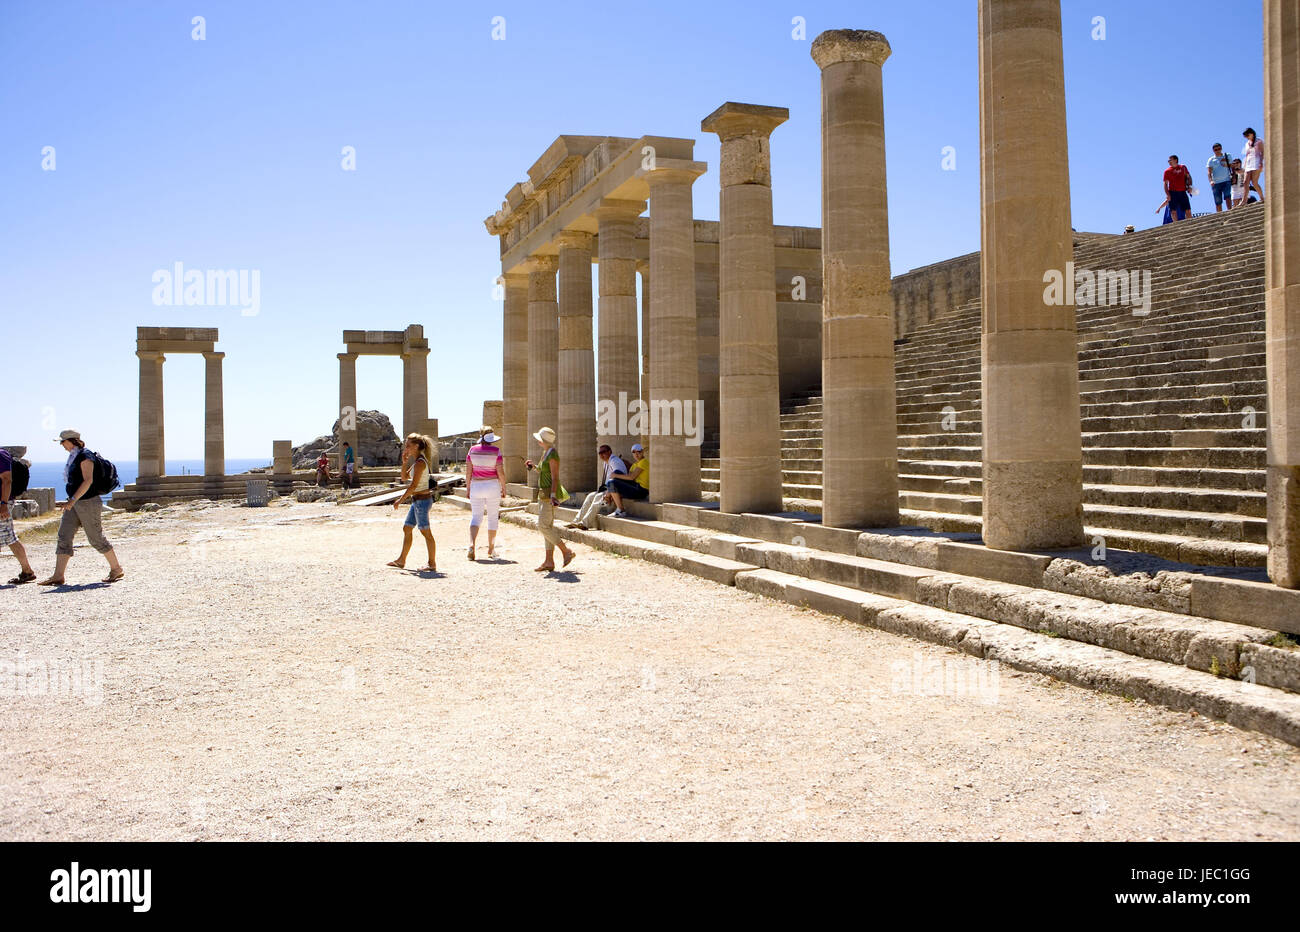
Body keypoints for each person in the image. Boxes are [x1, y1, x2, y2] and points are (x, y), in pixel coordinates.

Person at [39, 430, 124, 586]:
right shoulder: (74, 456)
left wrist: (72, 500)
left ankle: (116, 568)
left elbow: (88, 481)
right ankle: (58, 575)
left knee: (96, 538)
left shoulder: (85, 456)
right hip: (75, 502)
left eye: (62, 442)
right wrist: (71, 501)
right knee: (64, 535)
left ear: (71, 441)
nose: (61, 445)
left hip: (88, 502)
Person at [524, 426, 575, 572]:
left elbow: (554, 477)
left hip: (549, 495)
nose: (538, 442)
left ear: (544, 440)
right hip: (543, 494)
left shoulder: (552, 455)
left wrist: (553, 495)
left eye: (540, 439)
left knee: (543, 526)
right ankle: (549, 561)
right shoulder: (546, 452)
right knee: (548, 527)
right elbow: (542, 471)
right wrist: (533, 467)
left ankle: (566, 551)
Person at [387, 432, 437, 572]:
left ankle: (432, 563)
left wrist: (400, 500)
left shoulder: (420, 463)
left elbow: (413, 486)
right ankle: (401, 560)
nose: (406, 448)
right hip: (417, 501)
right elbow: (404, 478)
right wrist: (404, 463)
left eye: (408, 446)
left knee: (425, 532)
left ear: (416, 446)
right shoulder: (416, 462)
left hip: (422, 501)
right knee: (407, 528)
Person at [465, 427, 506, 560]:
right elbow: (500, 472)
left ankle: (471, 545)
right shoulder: (496, 451)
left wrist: (468, 488)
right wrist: (503, 487)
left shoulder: (472, 450)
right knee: (492, 518)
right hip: (492, 486)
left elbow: (468, 472)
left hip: (476, 486)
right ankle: (491, 549)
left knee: (476, 517)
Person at [567, 444, 627, 531]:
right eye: (600, 453)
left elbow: (617, 478)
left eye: (604, 452)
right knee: (590, 496)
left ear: (610, 452)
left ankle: (585, 523)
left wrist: (609, 493)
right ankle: (576, 520)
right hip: (608, 488)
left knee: (597, 498)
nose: (602, 454)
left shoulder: (614, 461)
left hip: (616, 489)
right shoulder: (606, 462)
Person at [0, 447, 37, 585]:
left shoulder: (1, 454)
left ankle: (27, 570)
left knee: (9, 537)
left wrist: (4, 503)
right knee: (9, 537)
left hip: (2, 502)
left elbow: (7, 480)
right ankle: (27, 571)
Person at [607, 442, 650, 516]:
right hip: (635, 487)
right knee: (616, 474)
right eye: (634, 452)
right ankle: (608, 495)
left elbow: (631, 477)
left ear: (643, 452)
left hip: (641, 491)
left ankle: (621, 510)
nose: (636, 454)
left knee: (611, 482)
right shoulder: (634, 465)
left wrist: (615, 475)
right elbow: (628, 478)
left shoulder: (644, 462)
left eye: (639, 451)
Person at [1163, 154, 1193, 221]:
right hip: (1173, 192)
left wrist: (1190, 186)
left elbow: (1188, 177)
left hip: (1182, 191)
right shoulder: (1167, 171)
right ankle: (1176, 225)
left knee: (1188, 210)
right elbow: (1165, 184)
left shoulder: (1183, 167)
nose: (1169, 162)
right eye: (1168, 161)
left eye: (1170, 160)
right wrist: (1168, 195)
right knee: (1173, 211)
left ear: (1175, 160)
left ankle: (1190, 223)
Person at [1240, 127, 1264, 205]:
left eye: (1247, 135)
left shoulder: (1259, 141)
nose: (1246, 137)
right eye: (1245, 136)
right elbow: (1247, 155)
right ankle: (1244, 200)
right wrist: (1244, 165)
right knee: (1245, 182)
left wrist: (1261, 162)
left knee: (1254, 182)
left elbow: (1262, 152)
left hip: (1256, 162)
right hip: (1248, 163)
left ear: (1252, 133)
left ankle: (1262, 197)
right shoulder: (1247, 143)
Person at [1206, 143, 1233, 212]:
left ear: (1221, 149)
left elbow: (1232, 166)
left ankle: (1230, 211)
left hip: (1226, 180)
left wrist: (1226, 164)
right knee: (1218, 201)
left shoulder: (1227, 156)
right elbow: (1209, 172)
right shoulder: (1211, 160)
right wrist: (1211, 181)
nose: (1217, 151)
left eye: (1219, 149)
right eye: (1216, 150)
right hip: (1216, 183)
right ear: (1213, 150)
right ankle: (1219, 215)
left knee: (1228, 197)